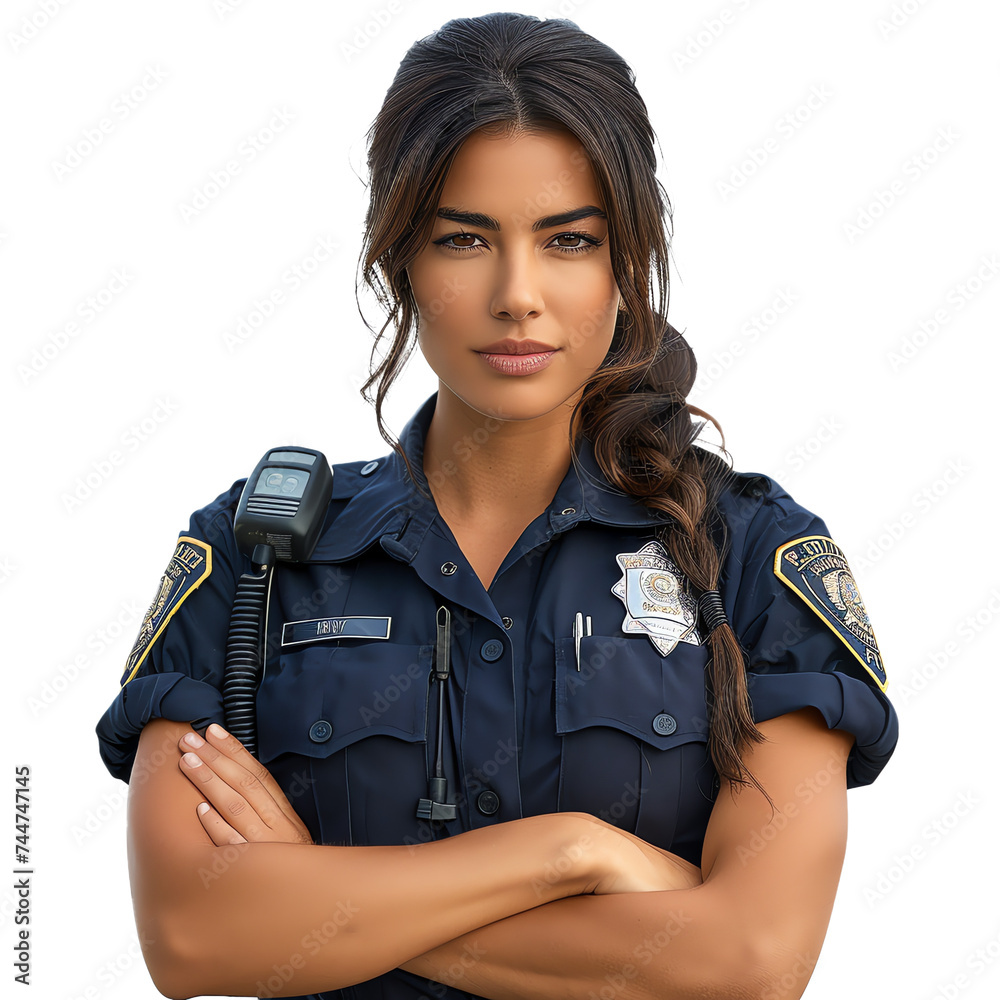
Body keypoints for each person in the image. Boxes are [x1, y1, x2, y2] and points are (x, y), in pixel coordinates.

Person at [95, 12, 898, 1000]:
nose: (517, 294)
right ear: (398, 259)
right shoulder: (250, 554)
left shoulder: (754, 556)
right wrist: (570, 853)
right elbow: (191, 936)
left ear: (627, 262)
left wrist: (316, 907)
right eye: (464, 239)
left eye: (569, 240)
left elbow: (752, 960)